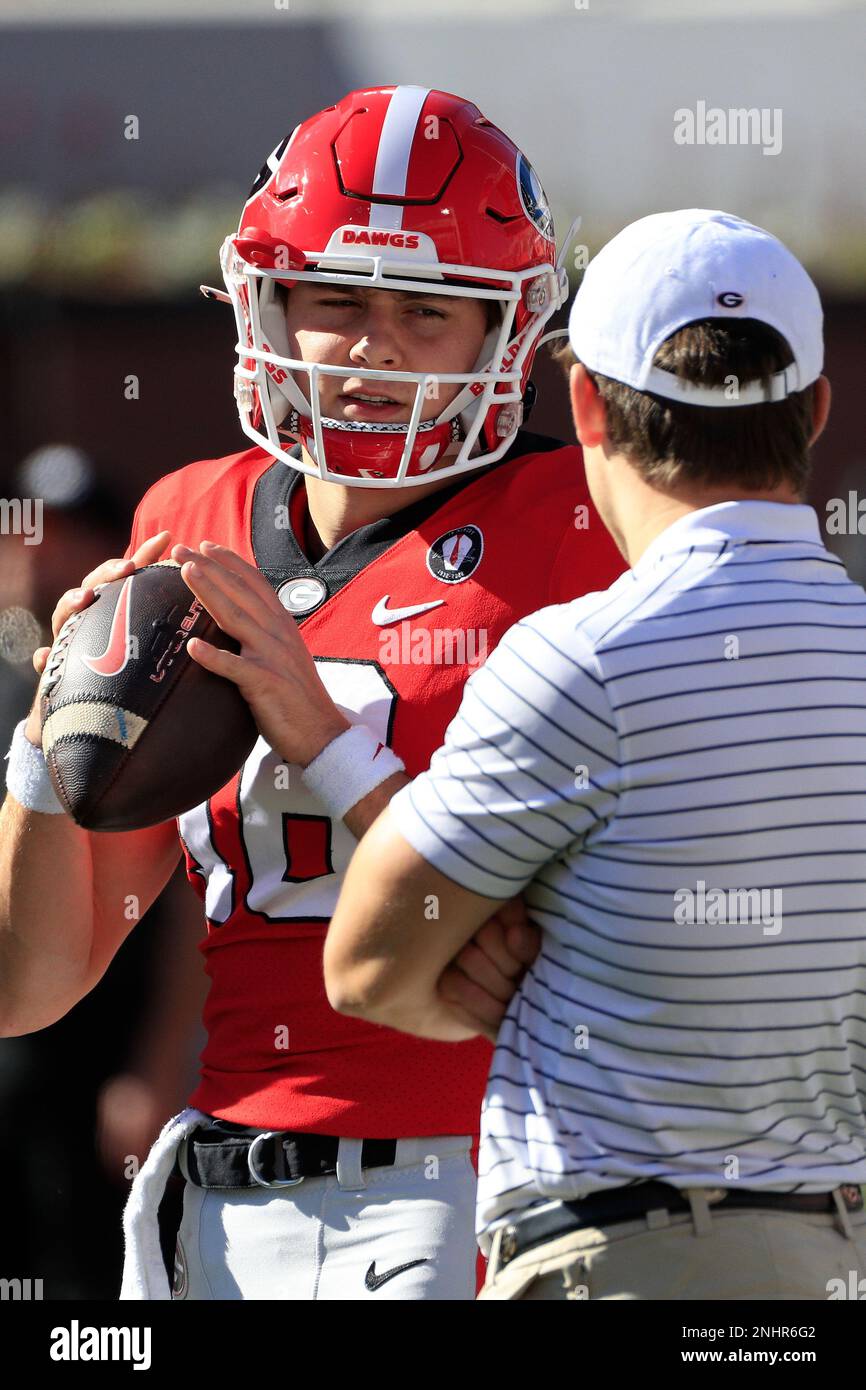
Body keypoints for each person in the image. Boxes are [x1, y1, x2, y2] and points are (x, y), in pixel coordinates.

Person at [0, 85, 624, 1302]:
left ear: (507, 333)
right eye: (334, 298)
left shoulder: (578, 527)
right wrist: (44, 746)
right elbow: (30, 983)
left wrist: (326, 741)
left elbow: (557, 947)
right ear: (263, 298)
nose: (372, 345)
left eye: (428, 309)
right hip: (211, 1193)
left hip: (465, 1180)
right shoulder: (189, 517)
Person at [325, 208, 866, 1301]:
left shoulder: (580, 657)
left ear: (583, 404)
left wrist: (501, 966)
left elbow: (364, 967)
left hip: (627, 1255)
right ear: (813, 406)